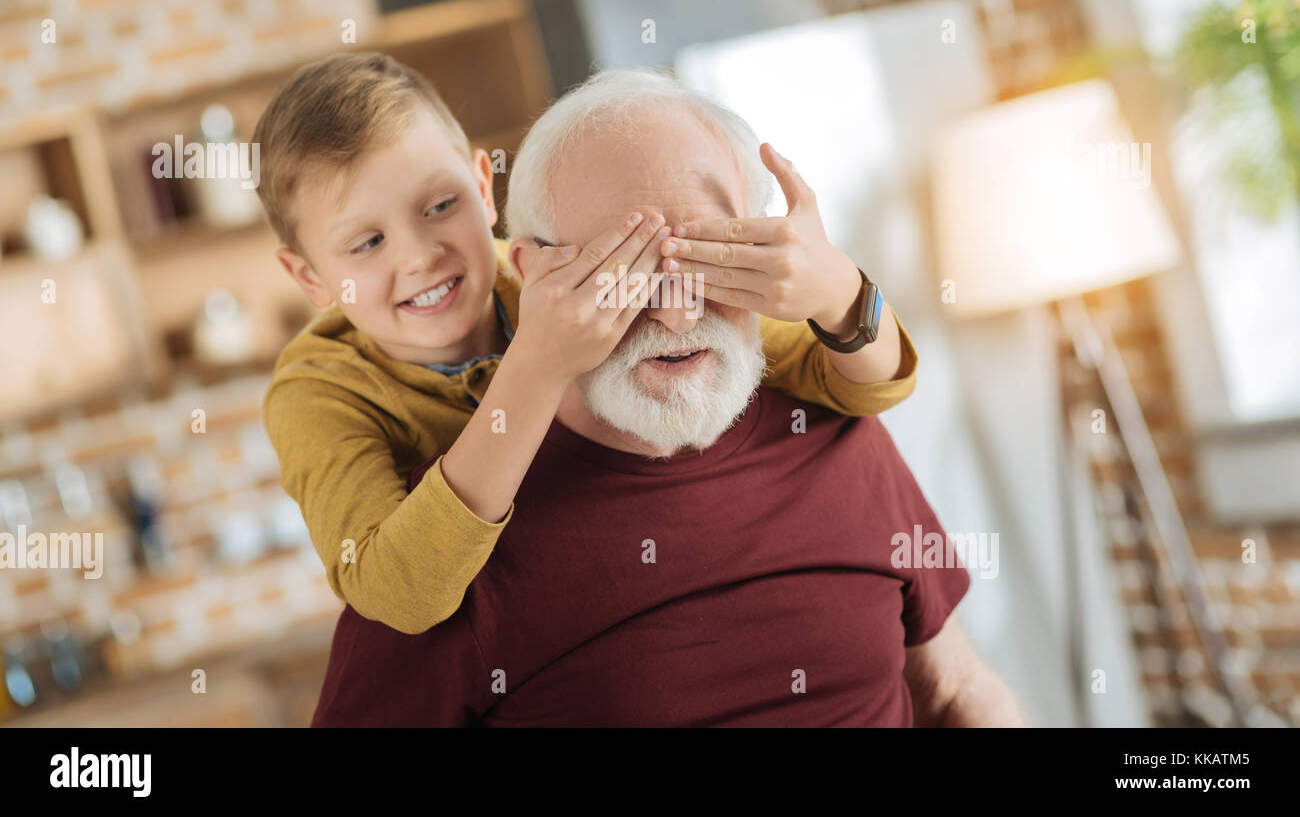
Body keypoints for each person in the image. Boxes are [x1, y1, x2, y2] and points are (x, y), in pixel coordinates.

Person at [310, 68, 1025, 726]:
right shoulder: (442, 532)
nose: (680, 314)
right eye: (626, 273)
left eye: (716, 261)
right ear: (530, 272)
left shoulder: (836, 427)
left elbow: (956, 690)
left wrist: (842, 289)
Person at [257, 53, 920, 634]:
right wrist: (539, 367)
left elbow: (865, 382)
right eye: (367, 243)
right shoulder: (316, 391)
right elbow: (399, 592)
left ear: (484, 186)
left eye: (440, 206)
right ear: (309, 276)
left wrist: (840, 292)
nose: (421, 257)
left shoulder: (556, 268)